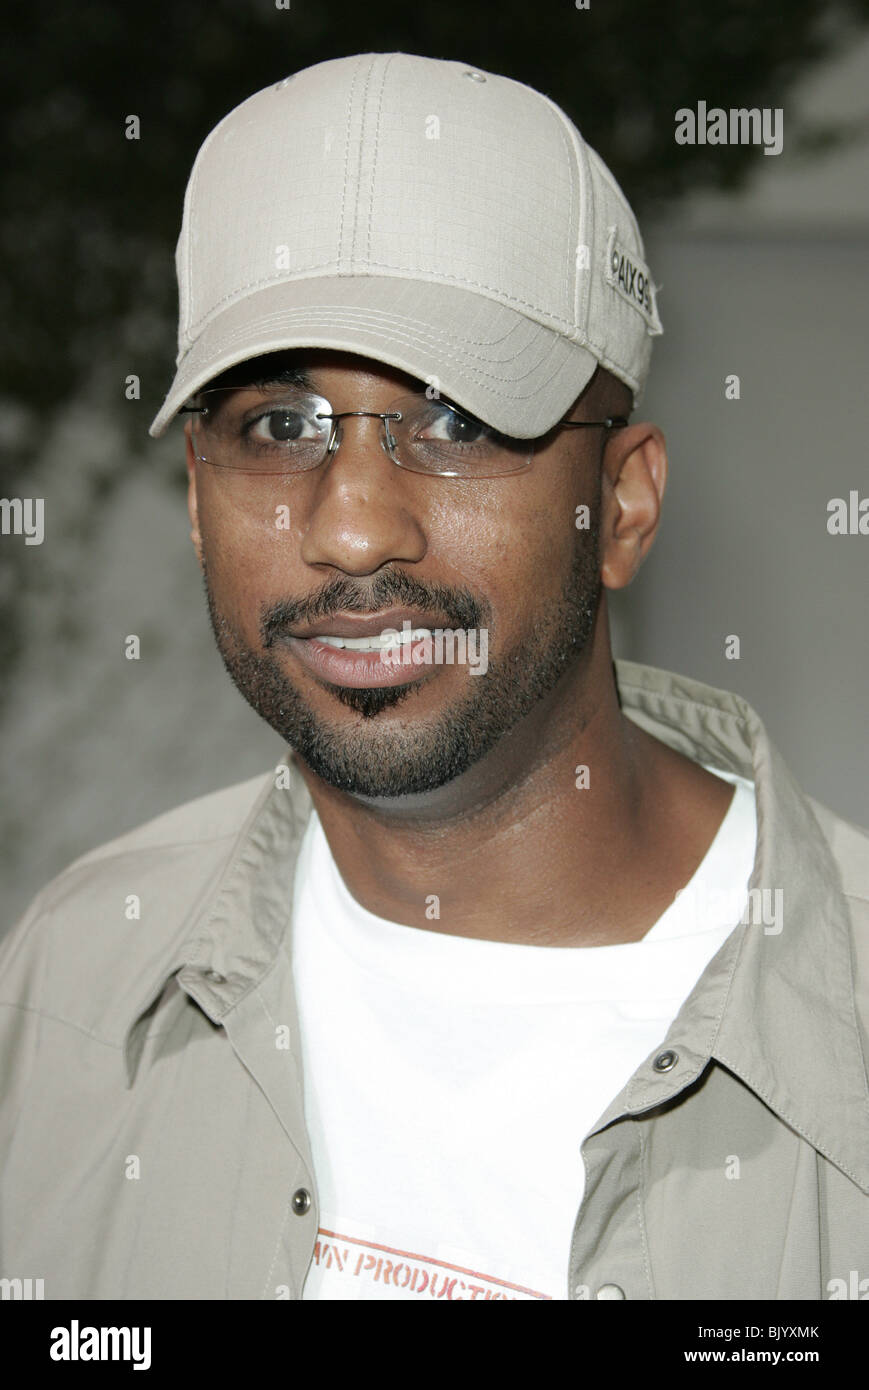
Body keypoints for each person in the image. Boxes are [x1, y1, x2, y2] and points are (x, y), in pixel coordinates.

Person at [1, 51, 867, 1304]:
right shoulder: (73, 988)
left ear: (620, 503)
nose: (352, 527)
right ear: (197, 500)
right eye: (278, 425)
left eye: (458, 420)